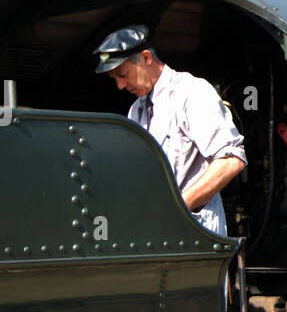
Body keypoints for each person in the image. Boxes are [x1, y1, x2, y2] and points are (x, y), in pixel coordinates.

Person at [94, 24, 246, 236]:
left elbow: (231, 160)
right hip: (154, 229)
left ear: (146, 58)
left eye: (123, 74)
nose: (120, 85)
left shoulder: (191, 92)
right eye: (115, 79)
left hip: (194, 229)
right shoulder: (137, 110)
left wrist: (178, 208)